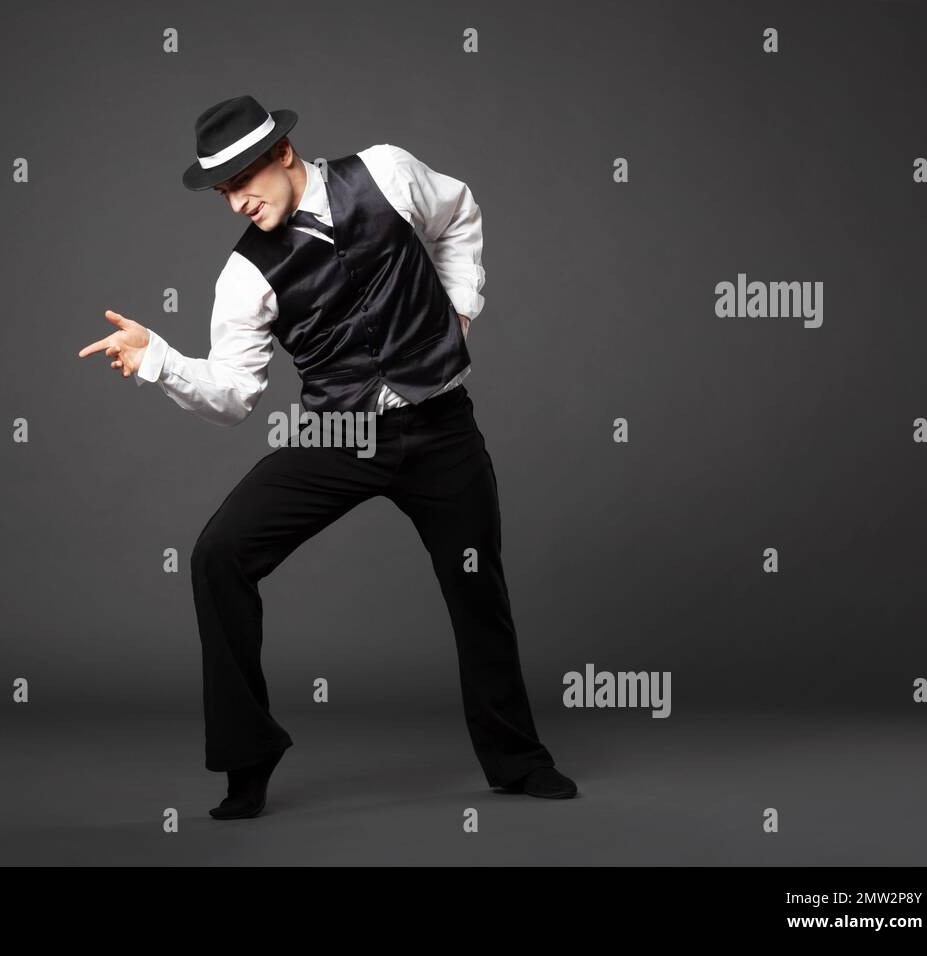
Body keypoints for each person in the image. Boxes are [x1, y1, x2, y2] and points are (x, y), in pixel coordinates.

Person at [79, 94, 577, 818]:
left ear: (282, 154)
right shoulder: (244, 277)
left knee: (478, 590)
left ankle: (517, 760)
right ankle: (248, 761)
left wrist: (457, 312)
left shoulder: (387, 173)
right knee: (219, 555)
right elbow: (233, 395)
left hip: (441, 428)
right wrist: (158, 359)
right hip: (337, 437)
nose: (237, 203)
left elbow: (459, 211)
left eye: (244, 181)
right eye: (223, 192)